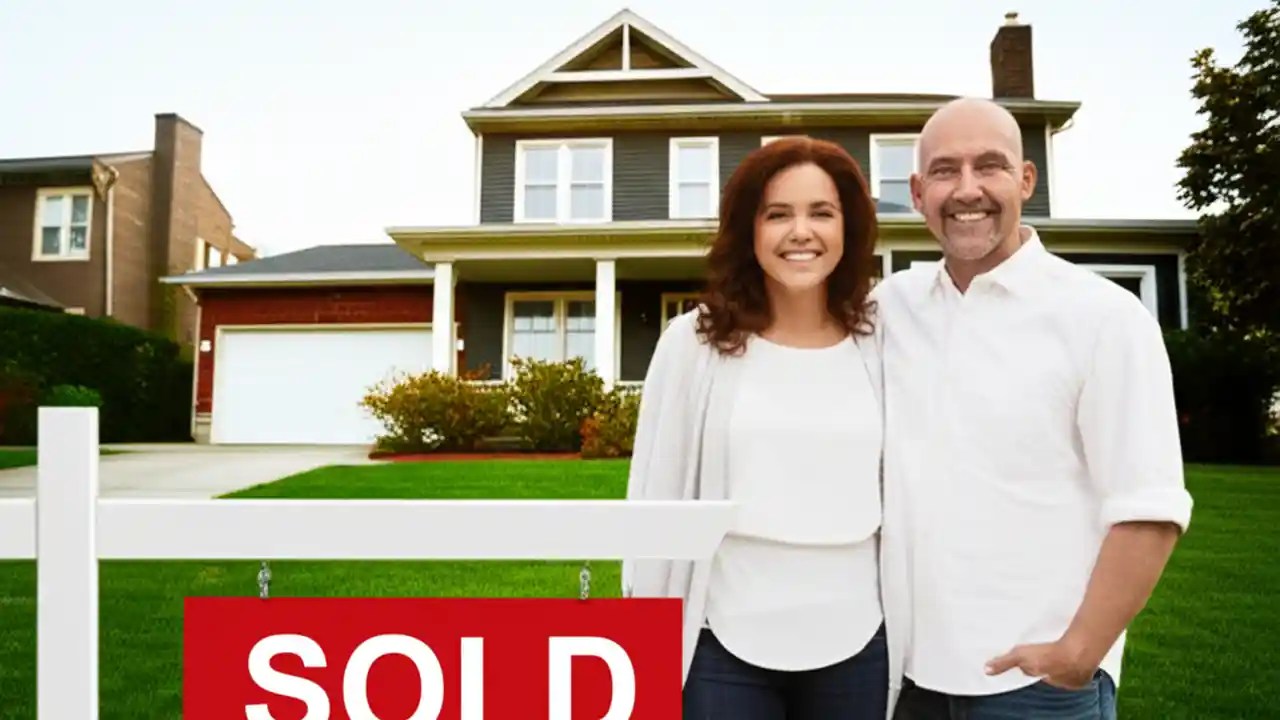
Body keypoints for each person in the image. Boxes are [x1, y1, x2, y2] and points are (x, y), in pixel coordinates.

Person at [871, 97, 1194, 720]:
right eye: (944, 171)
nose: (967, 190)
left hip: (1038, 689)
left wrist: (1080, 652)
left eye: (988, 166)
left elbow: (1149, 509)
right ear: (917, 192)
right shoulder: (893, 308)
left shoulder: (1101, 317)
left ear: (1025, 179)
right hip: (909, 681)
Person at [622, 136, 900, 719]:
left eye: (821, 213)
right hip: (722, 642)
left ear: (849, 228)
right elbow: (654, 491)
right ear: (749, 230)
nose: (801, 232)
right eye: (778, 214)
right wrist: (642, 632)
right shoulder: (694, 344)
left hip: (858, 641)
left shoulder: (886, 342)